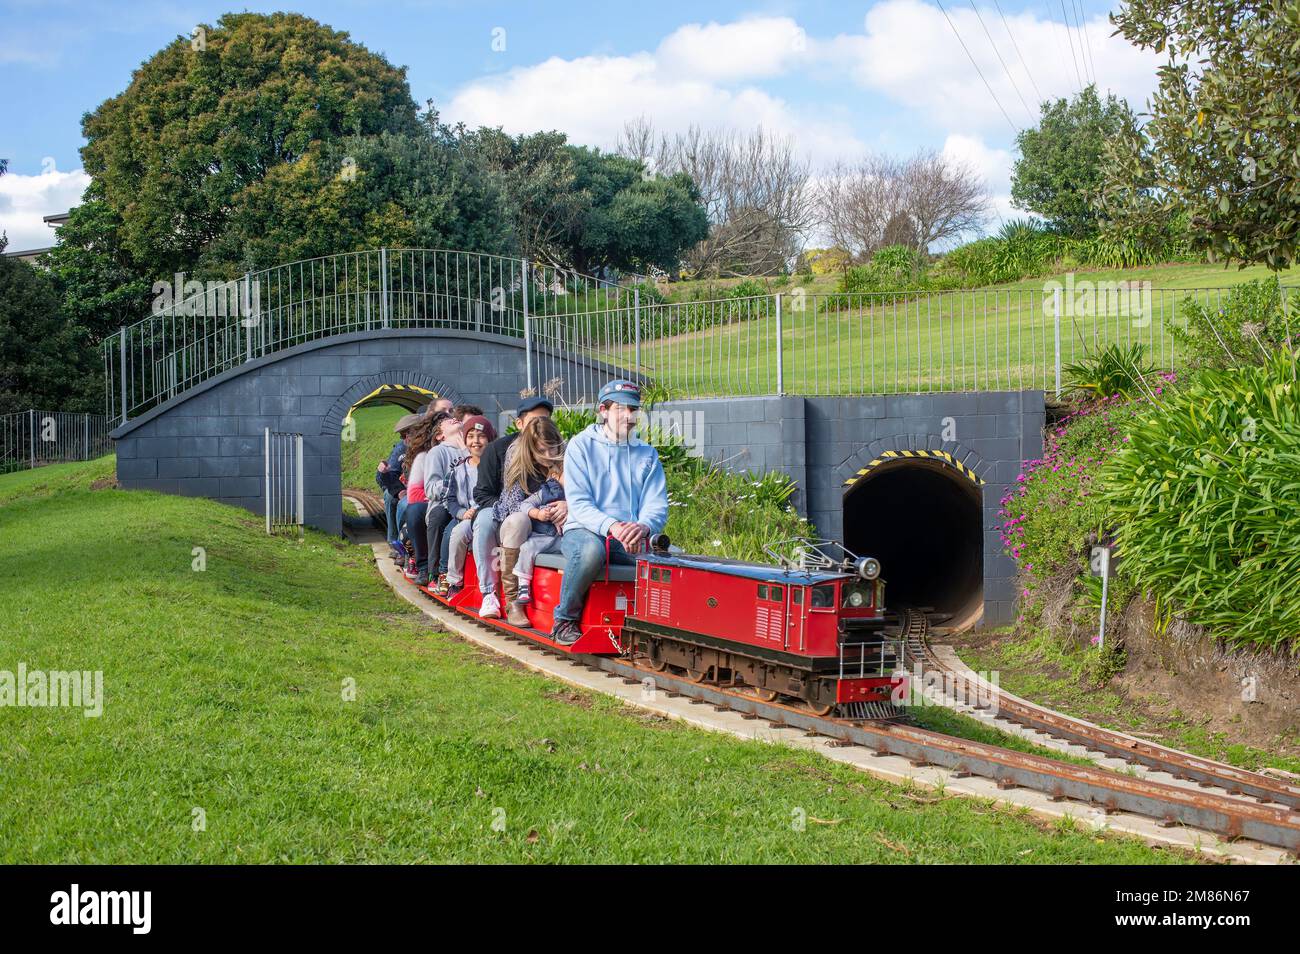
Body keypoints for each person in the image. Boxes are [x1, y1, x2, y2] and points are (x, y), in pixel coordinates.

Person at [550, 380, 667, 645]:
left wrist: (644, 526)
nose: (630, 416)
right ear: (603, 410)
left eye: (634, 409)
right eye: (621, 409)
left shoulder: (647, 453)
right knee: (592, 552)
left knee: (676, 563)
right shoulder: (581, 446)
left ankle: (660, 628)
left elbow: (656, 504)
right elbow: (579, 504)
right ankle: (564, 619)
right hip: (584, 530)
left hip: (630, 536)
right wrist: (614, 526)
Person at [471, 396, 555, 615]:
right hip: (505, 511)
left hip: (549, 518)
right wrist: (531, 511)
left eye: (544, 420)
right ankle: (492, 593)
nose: (539, 426)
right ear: (519, 423)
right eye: (534, 420)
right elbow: (483, 493)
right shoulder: (500, 450)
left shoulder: (554, 450)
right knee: (487, 519)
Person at [489, 416, 565, 625]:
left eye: (553, 449)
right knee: (519, 520)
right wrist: (542, 512)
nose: (549, 456)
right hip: (518, 525)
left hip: (554, 529)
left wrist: (567, 507)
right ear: (531, 449)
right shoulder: (517, 462)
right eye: (542, 451)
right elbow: (514, 506)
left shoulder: (566, 461)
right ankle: (513, 602)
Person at [439, 414, 496, 597]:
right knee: (457, 533)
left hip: (491, 515)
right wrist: (462, 513)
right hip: (467, 517)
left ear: (489, 439)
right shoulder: (458, 469)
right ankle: (454, 579)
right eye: (470, 437)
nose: (476, 441)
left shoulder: (498, 466)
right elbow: (449, 499)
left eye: (481, 436)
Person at [419, 413, 467, 586]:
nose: (453, 419)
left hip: (467, 503)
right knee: (439, 518)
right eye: (447, 421)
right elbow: (431, 488)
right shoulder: (437, 452)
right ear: (440, 435)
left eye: (454, 418)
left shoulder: (472, 446)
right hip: (444, 504)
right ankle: (435, 572)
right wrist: (455, 484)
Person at [513, 457, 566, 605]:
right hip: (544, 536)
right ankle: (523, 585)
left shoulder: (579, 494)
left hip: (564, 539)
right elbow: (524, 505)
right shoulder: (546, 491)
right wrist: (538, 513)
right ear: (555, 476)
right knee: (527, 548)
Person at [377, 413, 421, 563]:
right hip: (404, 488)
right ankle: (395, 542)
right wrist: (399, 491)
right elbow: (391, 474)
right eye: (404, 435)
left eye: (409, 433)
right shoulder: (401, 449)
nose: (406, 438)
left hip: (421, 490)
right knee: (391, 497)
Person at [401, 415, 439, 581]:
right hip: (433, 501)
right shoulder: (424, 458)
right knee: (412, 509)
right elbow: (414, 493)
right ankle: (421, 563)